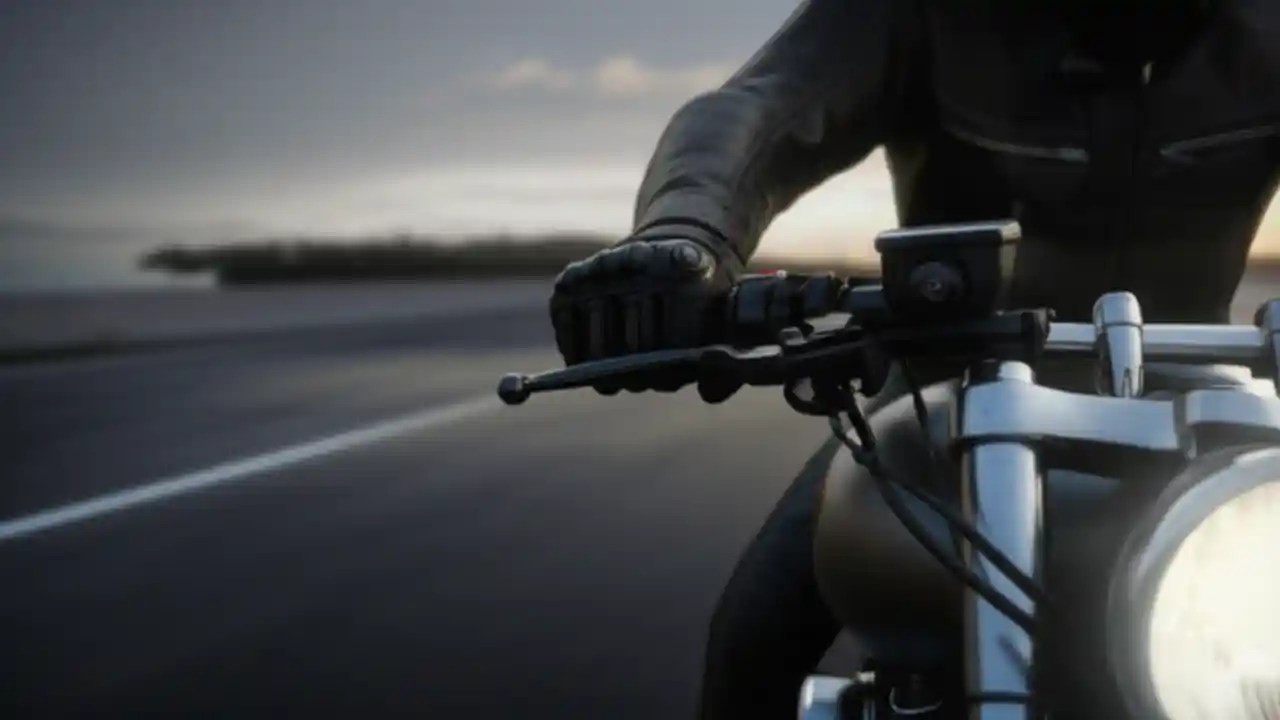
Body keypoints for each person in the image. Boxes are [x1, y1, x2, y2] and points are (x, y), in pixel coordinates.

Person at [548, 0, 1280, 716]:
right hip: (944, 391)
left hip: (1195, 390)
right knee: (757, 633)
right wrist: (686, 230)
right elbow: (764, 108)